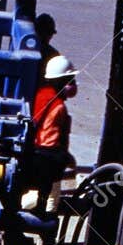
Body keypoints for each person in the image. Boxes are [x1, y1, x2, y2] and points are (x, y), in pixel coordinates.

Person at [30, 52, 78, 214]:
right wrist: (65, 158)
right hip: (44, 160)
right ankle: (45, 214)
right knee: (52, 194)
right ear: (60, 82)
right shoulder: (58, 106)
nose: (74, 84)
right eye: (70, 80)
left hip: (32, 153)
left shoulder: (40, 95)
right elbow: (49, 142)